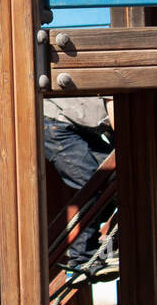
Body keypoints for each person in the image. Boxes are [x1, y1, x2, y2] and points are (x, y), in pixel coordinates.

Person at [43, 95, 119, 281]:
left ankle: (100, 250)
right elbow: (120, 128)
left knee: (113, 181)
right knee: (92, 187)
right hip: (57, 125)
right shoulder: (117, 86)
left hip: (79, 127)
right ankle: (79, 260)